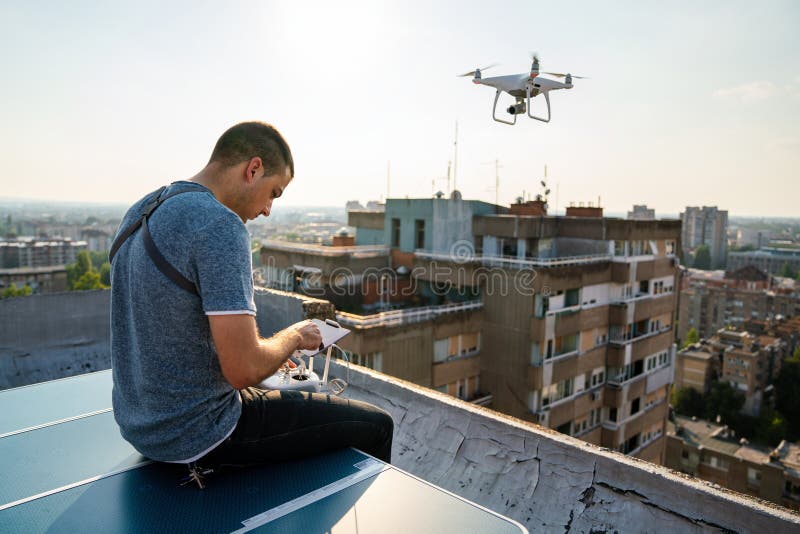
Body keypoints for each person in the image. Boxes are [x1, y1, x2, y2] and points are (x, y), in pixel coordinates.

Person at [110, 121, 393, 472]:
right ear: (253, 169)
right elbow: (243, 370)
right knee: (378, 426)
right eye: (273, 193)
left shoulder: (140, 210)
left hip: (141, 427)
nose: (267, 210)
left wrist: (269, 356)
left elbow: (170, 327)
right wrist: (295, 336)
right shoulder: (219, 225)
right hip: (202, 435)